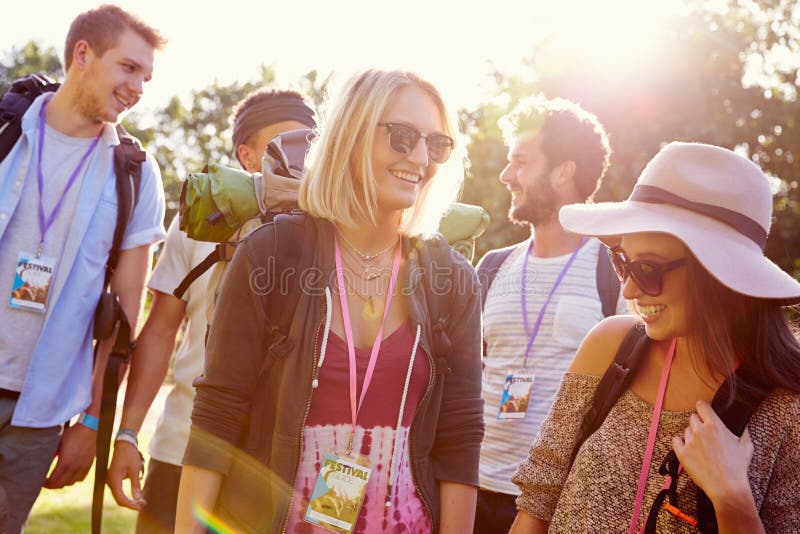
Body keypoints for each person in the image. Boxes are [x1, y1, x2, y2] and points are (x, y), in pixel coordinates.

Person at [175, 69, 483, 533]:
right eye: (402, 137)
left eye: (436, 144)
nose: (421, 158)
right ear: (352, 134)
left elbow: (459, 440)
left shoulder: (452, 278)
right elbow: (219, 412)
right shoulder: (271, 254)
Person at [510, 141, 800, 533]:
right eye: (622, 262)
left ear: (718, 275)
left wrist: (732, 498)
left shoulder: (787, 409)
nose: (628, 290)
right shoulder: (610, 348)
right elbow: (537, 505)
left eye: (647, 269)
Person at [106, 88, 316, 533]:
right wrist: (128, 436)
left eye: (309, 143)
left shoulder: (335, 230)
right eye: (282, 142)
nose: (298, 156)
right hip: (183, 447)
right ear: (247, 155)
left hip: (278, 466)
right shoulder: (199, 220)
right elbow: (161, 332)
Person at [0, 4, 166, 531]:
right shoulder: (5, 131)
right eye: (128, 67)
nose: (138, 87)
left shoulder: (136, 173)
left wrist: (92, 421)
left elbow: (124, 318)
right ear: (82, 54)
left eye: (146, 76)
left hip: (39, 414)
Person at [473, 96, 625, 533]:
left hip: (556, 504)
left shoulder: (614, 269)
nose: (506, 176)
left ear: (564, 172)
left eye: (520, 162)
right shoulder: (492, 266)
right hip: (475, 487)